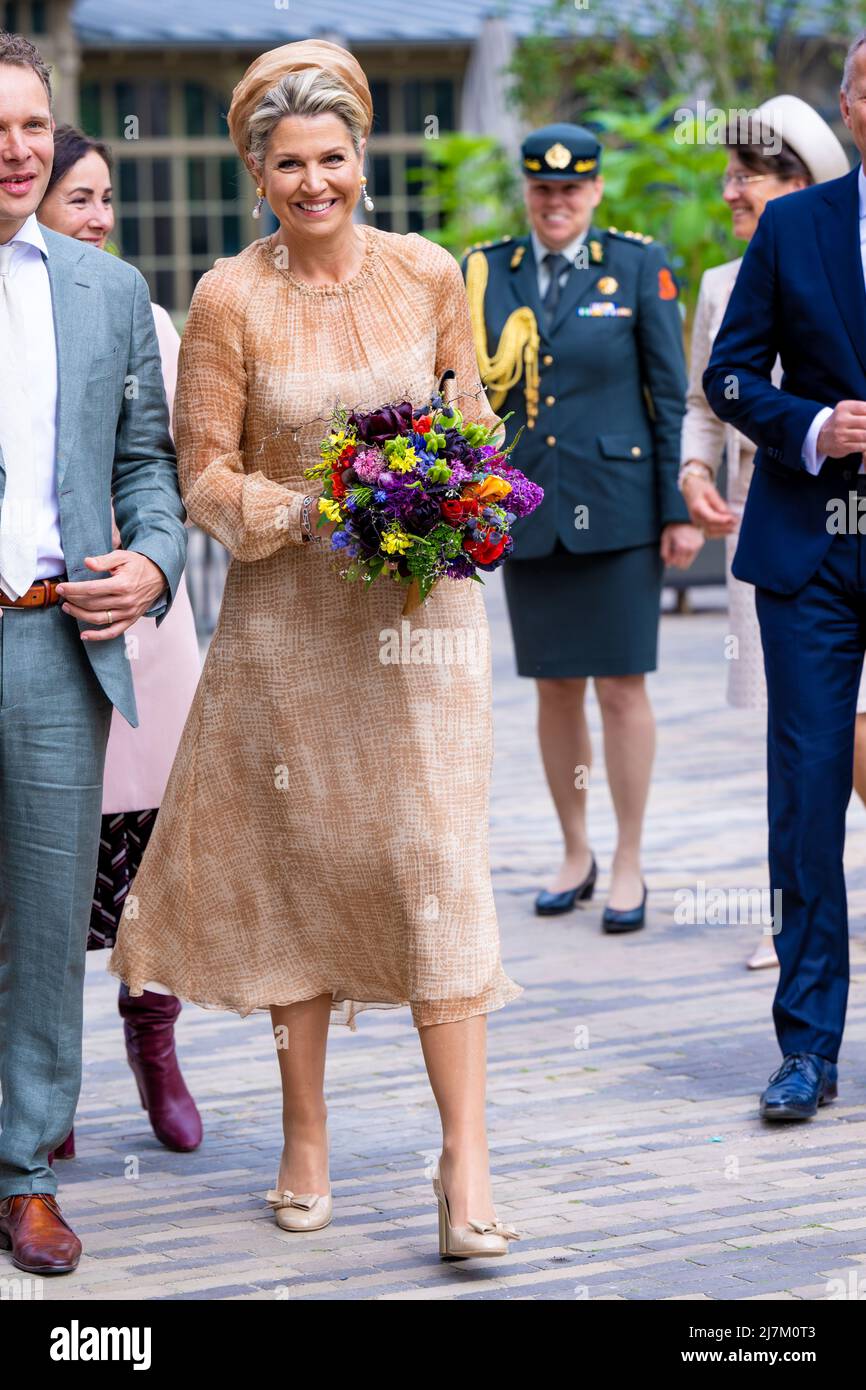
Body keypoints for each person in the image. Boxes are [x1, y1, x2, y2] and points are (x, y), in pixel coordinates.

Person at [109, 39, 524, 1261]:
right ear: (257, 172)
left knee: (435, 867)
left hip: (422, 631)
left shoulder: (427, 272)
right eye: (288, 163)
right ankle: (304, 1134)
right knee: (302, 871)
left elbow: (471, 424)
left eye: (331, 157)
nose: (313, 181)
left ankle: (465, 1159)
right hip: (288, 631)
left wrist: (455, 493)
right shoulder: (226, 298)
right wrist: (316, 510)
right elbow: (203, 475)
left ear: (361, 157)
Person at [0, 32, 187, 1276]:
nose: (16, 151)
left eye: (31, 125)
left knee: (46, 918)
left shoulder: (104, 290)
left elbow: (145, 466)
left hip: (53, 641)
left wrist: (155, 562)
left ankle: (23, 1171)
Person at [462, 123, 702, 932]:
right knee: (555, 688)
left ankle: (629, 858)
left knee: (623, 689)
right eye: (542, 189)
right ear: (527, 192)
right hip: (529, 510)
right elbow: (462, 393)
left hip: (622, 512)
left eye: (571, 189)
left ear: (595, 190)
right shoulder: (486, 271)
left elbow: (669, 397)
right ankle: (576, 850)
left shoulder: (636, 265)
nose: (556, 202)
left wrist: (677, 510)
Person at [703, 33, 866, 1122]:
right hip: (810, 547)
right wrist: (810, 425)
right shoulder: (794, 225)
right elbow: (727, 375)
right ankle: (805, 1048)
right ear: (848, 106)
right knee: (805, 801)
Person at [37, 124, 203, 1158]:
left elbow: (168, 465)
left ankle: (156, 1041)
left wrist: (148, 563)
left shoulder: (141, 313)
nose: (98, 216)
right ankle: (39, 1089)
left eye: (106, 197)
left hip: (142, 611)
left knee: (154, 850)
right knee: (41, 862)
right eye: (79, 198)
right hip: (36, 613)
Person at [680, 96, 853, 972]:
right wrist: (695, 474)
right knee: (797, 745)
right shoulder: (728, 277)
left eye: (746, 176)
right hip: (778, 523)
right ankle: (795, 918)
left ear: (798, 179)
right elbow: (709, 393)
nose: (731, 192)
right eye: (728, 175)